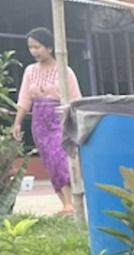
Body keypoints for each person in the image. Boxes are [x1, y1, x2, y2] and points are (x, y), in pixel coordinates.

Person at [11, 28, 82, 217]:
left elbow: (76, 98)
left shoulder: (65, 71)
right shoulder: (30, 71)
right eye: (31, 47)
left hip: (59, 120)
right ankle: (64, 204)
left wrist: (70, 115)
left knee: (60, 158)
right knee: (49, 161)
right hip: (39, 122)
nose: (33, 51)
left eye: (37, 47)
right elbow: (24, 99)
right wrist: (17, 123)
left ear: (49, 47)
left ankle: (71, 202)